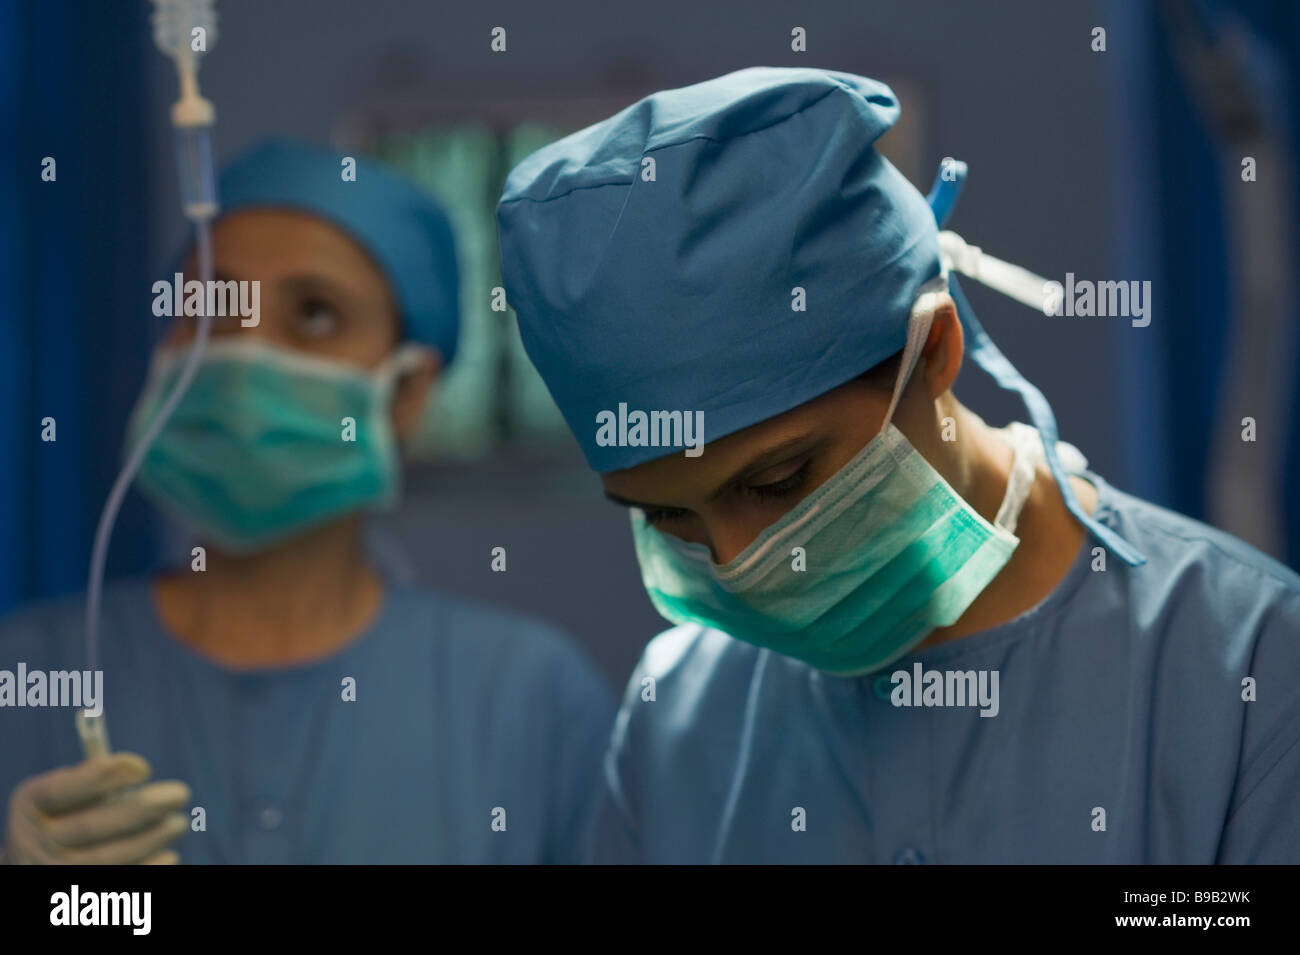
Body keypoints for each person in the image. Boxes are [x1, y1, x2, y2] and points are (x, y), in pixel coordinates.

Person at [496, 67, 1300, 863]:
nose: (741, 565)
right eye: (668, 516)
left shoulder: (1247, 672)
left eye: (779, 480)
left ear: (935, 349)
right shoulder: (676, 720)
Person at [2, 140, 615, 864]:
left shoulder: (525, 695)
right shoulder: (31, 673)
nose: (242, 355)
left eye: (315, 315)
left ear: (407, 394)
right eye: (209, 308)